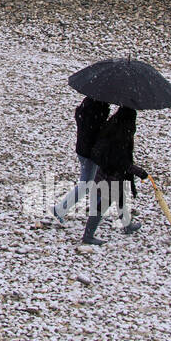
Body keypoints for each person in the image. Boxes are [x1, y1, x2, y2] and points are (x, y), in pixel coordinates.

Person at [81, 106, 150, 245]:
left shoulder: (112, 126)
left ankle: (127, 224)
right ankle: (88, 235)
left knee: (120, 198)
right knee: (103, 204)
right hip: (112, 175)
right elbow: (121, 162)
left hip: (105, 170)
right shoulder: (121, 136)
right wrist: (139, 172)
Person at [50, 96, 111, 225]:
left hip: (83, 150)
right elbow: (96, 133)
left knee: (93, 182)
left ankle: (96, 214)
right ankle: (59, 210)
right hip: (90, 153)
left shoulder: (87, 107)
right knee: (87, 184)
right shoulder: (97, 111)